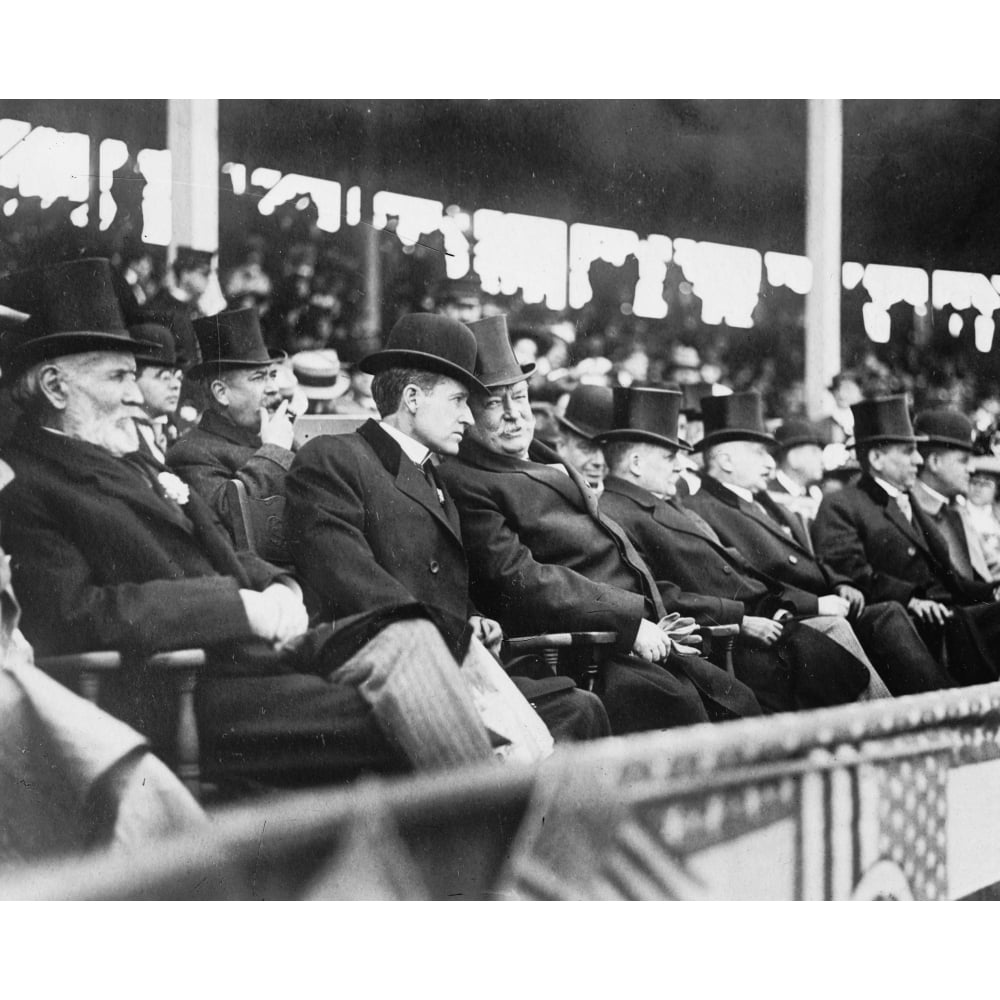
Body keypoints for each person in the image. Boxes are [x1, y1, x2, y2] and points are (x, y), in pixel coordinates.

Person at [0, 258, 514, 786]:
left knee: (414, 633)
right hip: (180, 686)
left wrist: (280, 587)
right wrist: (239, 607)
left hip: (248, 659)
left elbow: (222, 545)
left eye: (133, 376)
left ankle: (489, 805)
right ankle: (494, 816)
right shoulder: (26, 485)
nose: (136, 394)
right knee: (407, 712)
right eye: (119, 376)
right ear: (55, 388)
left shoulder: (131, 458)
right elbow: (76, 615)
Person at [285, 312, 608, 749]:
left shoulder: (432, 476)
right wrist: (450, 632)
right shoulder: (335, 458)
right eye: (458, 400)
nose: (469, 418)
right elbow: (347, 576)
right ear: (412, 398)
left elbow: (442, 577)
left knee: (581, 708)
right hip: (389, 671)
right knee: (567, 719)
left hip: (449, 660)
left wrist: (473, 618)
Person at [438, 315, 763, 734]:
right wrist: (627, 624)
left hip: (640, 634)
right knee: (690, 717)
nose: (514, 414)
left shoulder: (542, 457)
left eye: (518, 396)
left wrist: (656, 617)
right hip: (585, 652)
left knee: (741, 702)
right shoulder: (466, 480)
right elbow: (520, 579)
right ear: (466, 411)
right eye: (493, 404)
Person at [596, 387, 909, 710]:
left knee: (839, 653)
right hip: (725, 644)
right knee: (836, 647)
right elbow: (658, 596)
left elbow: (735, 569)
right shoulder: (617, 512)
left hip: (753, 626)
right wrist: (743, 618)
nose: (679, 466)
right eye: (669, 457)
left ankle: (891, 725)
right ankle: (893, 726)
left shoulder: (655, 506)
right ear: (635, 463)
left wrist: (771, 609)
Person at [686, 391, 950, 696]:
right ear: (725, 460)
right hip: (784, 621)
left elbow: (807, 559)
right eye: (759, 453)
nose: (770, 463)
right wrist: (815, 604)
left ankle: (939, 703)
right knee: (851, 627)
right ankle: (905, 714)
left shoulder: (761, 502)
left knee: (887, 614)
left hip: (819, 604)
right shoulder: (702, 510)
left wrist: (839, 582)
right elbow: (740, 580)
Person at [812, 395, 1000, 686]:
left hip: (947, 618)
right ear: (876, 459)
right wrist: (910, 599)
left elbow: (950, 579)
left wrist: (992, 590)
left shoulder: (908, 501)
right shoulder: (841, 504)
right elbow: (849, 572)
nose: (919, 459)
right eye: (908, 451)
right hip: (909, 626)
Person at [166, 307, 296, 544]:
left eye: (272, 376)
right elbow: (231, 521)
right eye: (258, 377)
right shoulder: (190, 453)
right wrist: (274, 452)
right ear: (221, 392)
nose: (273, 388)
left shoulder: (278, 436)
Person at [911, 409, 993, 583]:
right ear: (935, 462)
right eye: (963, 460)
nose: (970, 469)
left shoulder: (956, 509)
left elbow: (990, 564)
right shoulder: (909, 511)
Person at [128, 321, 182, 464]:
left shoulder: (173, 429)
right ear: (132, 379)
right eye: (164, 377)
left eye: (177, 377)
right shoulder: (122, 437)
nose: (176, 385)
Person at [552, 383, 613, 494]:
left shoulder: (617, 500)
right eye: (586, 448)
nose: (599, 461)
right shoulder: (547, 495)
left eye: (606, 449)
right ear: (561, 446)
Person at [767, 418, 827, 528]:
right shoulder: (768, 495)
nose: (822, 460)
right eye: (814, 452)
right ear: (793, 458)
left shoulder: (814, 493)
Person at [965, 455, 1000, 578]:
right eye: (974, 482)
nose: (978, 488)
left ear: (996, 489)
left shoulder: (997, 514)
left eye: (986, 484)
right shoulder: (958, 512)